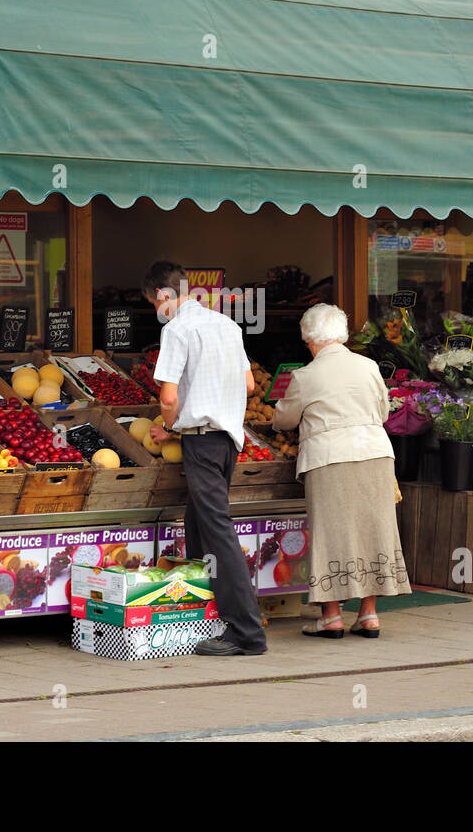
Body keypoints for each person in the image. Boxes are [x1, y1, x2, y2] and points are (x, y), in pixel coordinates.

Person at [143, 261, 267, 656]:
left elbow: (167, 397)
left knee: (217, 531)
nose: (156, 311)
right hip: (229, 441)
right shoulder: (227, 325)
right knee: (199, 525)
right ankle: (201, 614)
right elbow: (248, 385)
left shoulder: (176, 329)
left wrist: (170, 426)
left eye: (153, 303)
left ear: (163, 296)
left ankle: (247, 633)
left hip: (200, 441)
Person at [271, 303, 412, 638]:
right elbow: (382, 410)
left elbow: (284, 419)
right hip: (375, 454)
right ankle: (369, 614)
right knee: (373, 529)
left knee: (331, 533)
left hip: (329, 459)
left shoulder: (305, 376)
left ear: (309, 339)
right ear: (342, 335)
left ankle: (331, 617)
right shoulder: (368, 366)